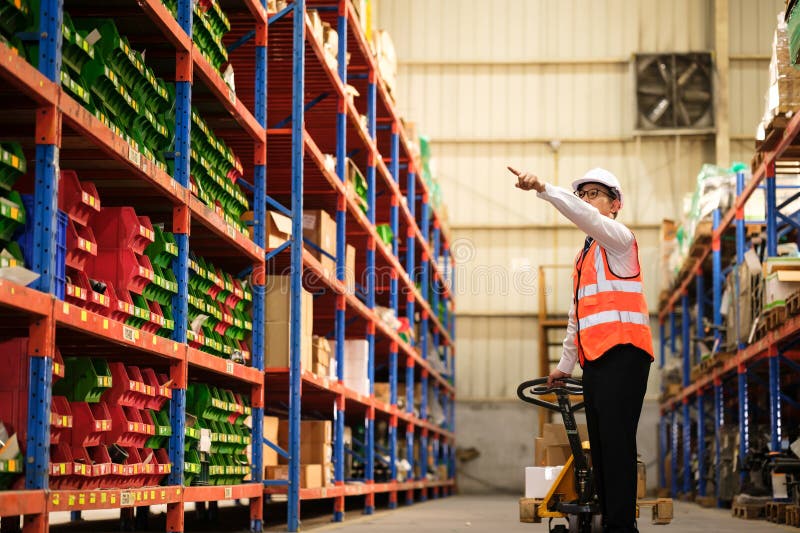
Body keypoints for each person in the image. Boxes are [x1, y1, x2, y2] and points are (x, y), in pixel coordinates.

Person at [510, 166, 653, 533]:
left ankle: (622, 526)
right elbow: (578, 314)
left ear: (615, 204)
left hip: (625, 352)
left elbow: (585, 218)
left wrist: (544, 188)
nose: (587, 201)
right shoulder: (584, 257)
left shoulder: (620, 241)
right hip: (596, 359)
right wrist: (564, 364)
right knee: (602, 447)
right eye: (583, 194)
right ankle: (609, 522)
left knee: (618, 443)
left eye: (594, 194)